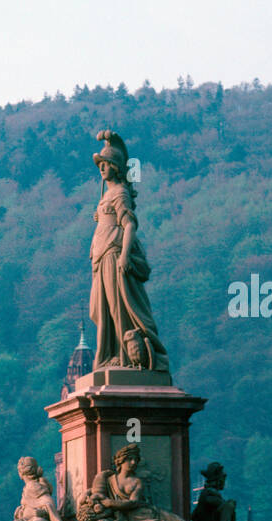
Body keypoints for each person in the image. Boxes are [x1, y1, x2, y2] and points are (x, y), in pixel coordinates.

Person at [88, 129, 169, 373]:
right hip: (101, 256)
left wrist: (124, 256)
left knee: (118, 306)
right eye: (101, 163)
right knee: (100, 309)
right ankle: (109, 355)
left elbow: (130, 224)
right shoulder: (107, 195)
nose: (102, 167)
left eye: (107, 163)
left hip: (113, 254)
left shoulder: (120, 192)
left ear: (117, 166)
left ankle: (124, 357)